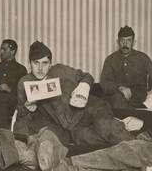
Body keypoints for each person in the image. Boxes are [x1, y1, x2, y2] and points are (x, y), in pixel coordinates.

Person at [13, 41, 143, 153]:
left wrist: (83, 88)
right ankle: (126, 132)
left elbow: (87, 76)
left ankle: (144, 149)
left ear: (50, 63)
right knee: (89, 139)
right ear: (29, 63)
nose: (40, 68)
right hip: (72, 127)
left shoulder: (60, 70)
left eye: (45, 63)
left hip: (89, 108)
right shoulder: (24, 83)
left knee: (104, 125)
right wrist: (28, 109)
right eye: (36, 63)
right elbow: (22, 116)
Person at [98, 25, 152, 111]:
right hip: (117, 93)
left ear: (134, 42)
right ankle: (135, 113)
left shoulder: (144, 58)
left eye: (128, 40)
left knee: (119, 103)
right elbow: (104, 82)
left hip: (137, 94)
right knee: (112, 98)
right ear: (118, 42)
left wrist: (132, 90)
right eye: (122, 40)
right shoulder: (110, 59)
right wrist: (119, 88)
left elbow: (150, 84)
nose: (125, 44)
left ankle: (133, 113)